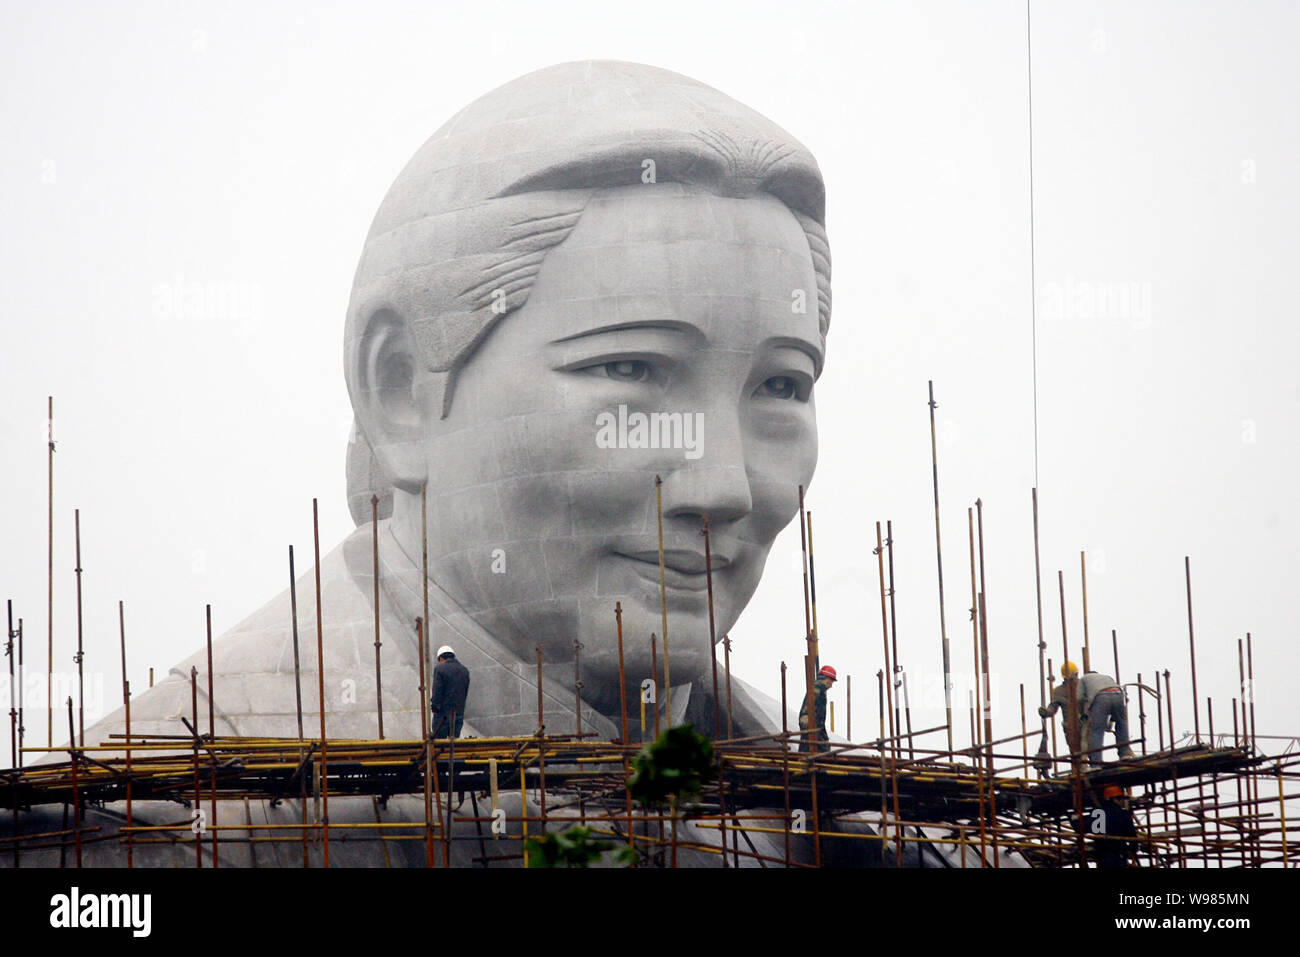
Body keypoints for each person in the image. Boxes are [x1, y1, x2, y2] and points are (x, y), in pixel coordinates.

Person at [1087, 784, 1138, 868]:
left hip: (1103, 855)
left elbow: (1084, 827)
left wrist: (1073, 819)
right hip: (1119, 854)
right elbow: (1132, 835)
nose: (1122, 801)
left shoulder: (1098, 813)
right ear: (1115, 799)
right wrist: (1133, 847)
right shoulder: (1122, 814)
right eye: (1121, 798)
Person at [430, 645, 470, 739]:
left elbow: (437, 691)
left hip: (443, 715)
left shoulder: (440, 669)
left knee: (439, 745)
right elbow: (465, 692)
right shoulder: (464, 670)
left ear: (441, 658)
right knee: (453, 744)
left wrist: (435, 708)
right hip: (458, 714)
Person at [798, 665, 836, 752]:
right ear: (827, 679)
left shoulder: (817, 688)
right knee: (817, 751)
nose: (831, 686)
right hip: (811, 727)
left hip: (809, 727)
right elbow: (819, 716)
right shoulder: (819, 688)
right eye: (832, 682)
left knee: (806, 750)